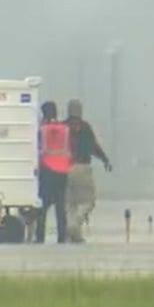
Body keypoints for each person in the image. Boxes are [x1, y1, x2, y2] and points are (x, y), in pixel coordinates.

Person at [64, 99, 111, 243]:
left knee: (70, 203)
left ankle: (74, 232)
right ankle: (77, 221)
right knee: (88, 202)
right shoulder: (85, 128)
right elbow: (94, 147)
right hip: (82, 168)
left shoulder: (62, 127)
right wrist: (105, 160)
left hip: (64, 169)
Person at [36, 101, 71, 244]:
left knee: (42, 206)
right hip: (62, 171)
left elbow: (38, 147)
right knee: (60, 206)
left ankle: (39, 236)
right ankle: (62, 236)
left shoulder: (42, 129)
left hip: (47, 170)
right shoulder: (65, 129)